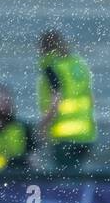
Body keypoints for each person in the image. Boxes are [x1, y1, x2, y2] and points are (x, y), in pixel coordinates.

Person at [37, 29, 96, 171]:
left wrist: (43, 126)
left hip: (64, 135)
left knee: (64, 182)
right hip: (86, 133)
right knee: (78, 178)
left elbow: (56, 99)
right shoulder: (78, 64)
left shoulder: (51, 65)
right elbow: (91, 97)